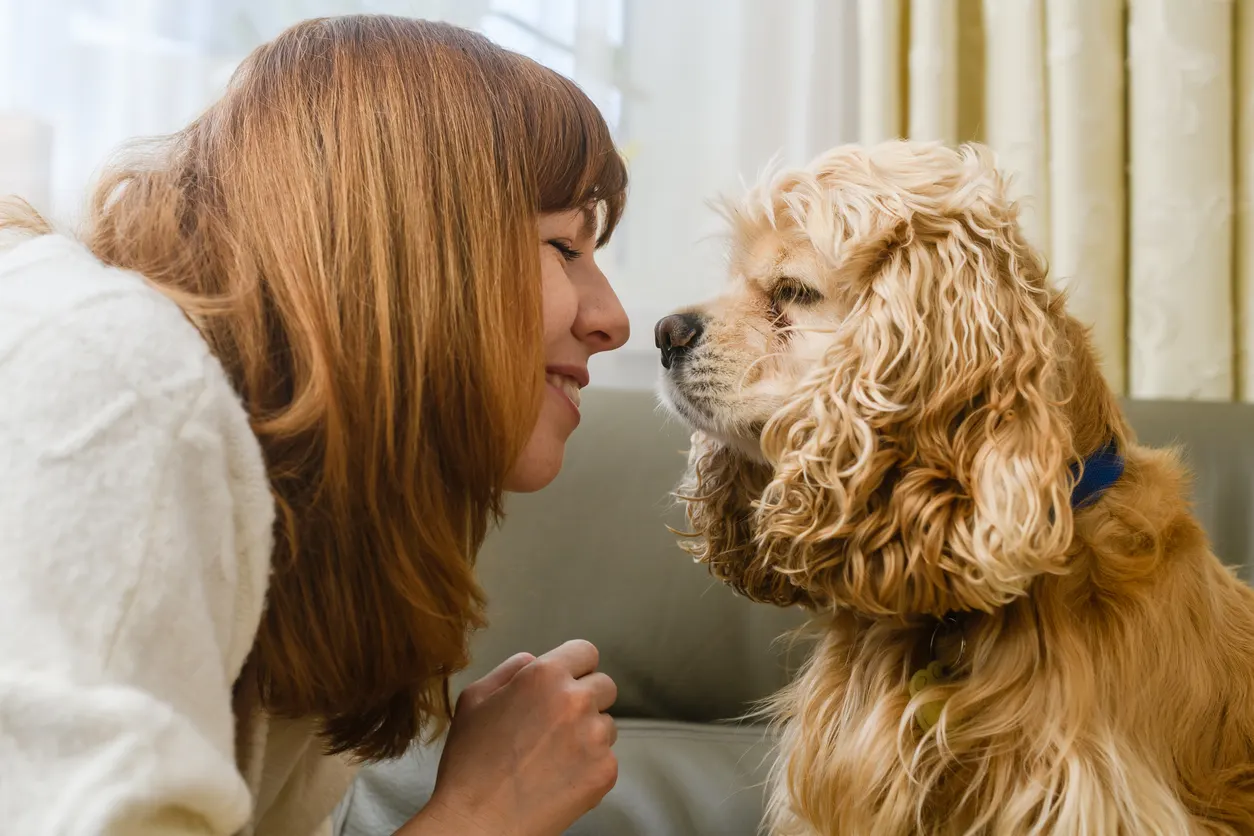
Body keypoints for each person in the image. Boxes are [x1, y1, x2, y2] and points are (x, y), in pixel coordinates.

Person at [0, 15, 630, 836]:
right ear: (413, 240)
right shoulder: (117, 386)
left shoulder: (316, 522)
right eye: (566, 248)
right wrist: (483, 814)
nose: (613, 320)